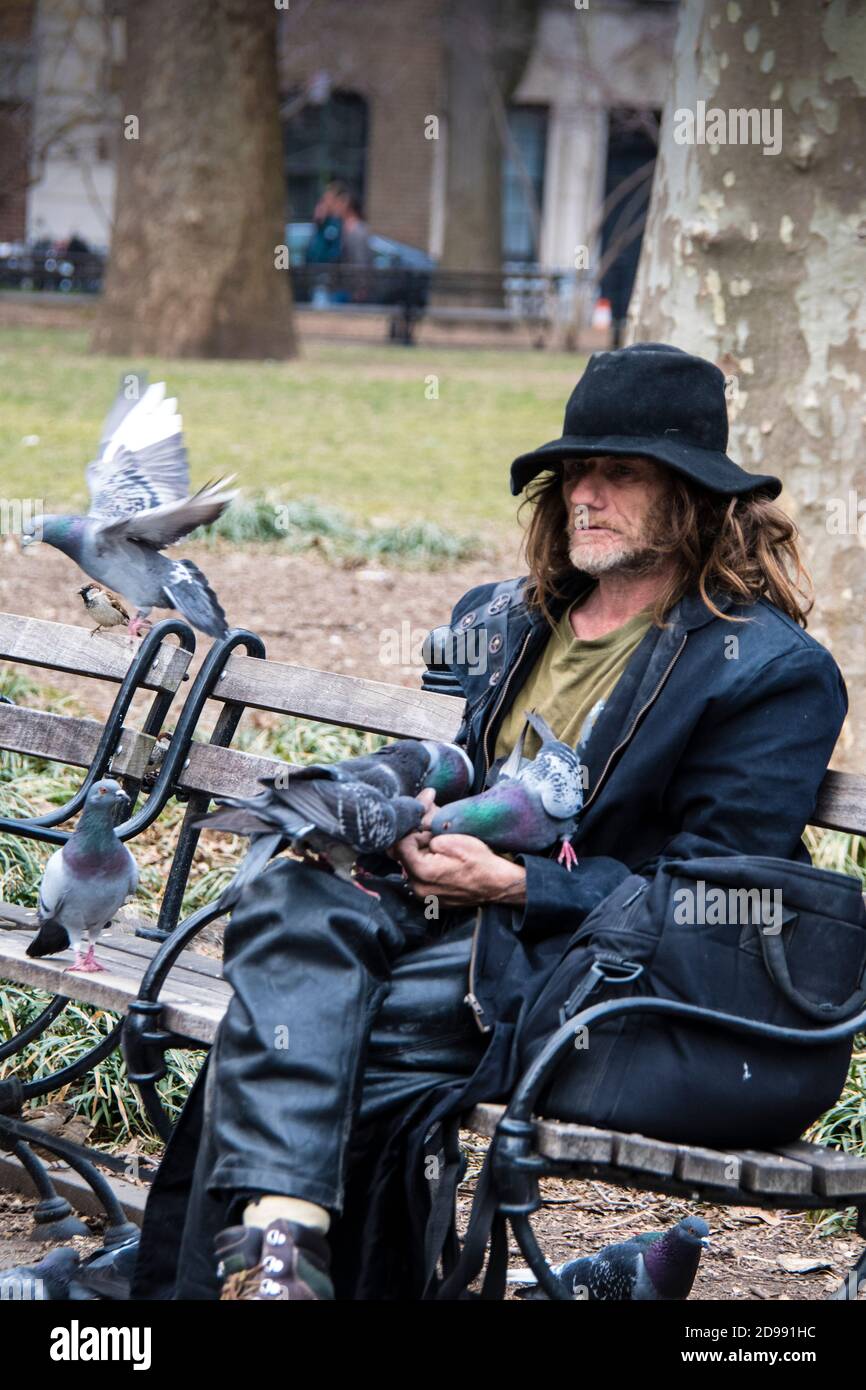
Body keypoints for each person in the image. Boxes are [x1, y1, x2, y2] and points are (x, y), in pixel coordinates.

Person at [130, 343, 847, 1302]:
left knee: (307, 1021)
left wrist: (514, 883)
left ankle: (236, 1267)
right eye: (572, 474)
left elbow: (716, 896)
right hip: (452, 917)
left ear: (691, 495)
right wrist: (414, 823)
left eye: (619, 474)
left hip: (592, 970)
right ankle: (284, 1250)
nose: (584, 495)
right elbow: (474, 770)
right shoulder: (516, 620)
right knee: (289, 892)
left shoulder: (764, 669)